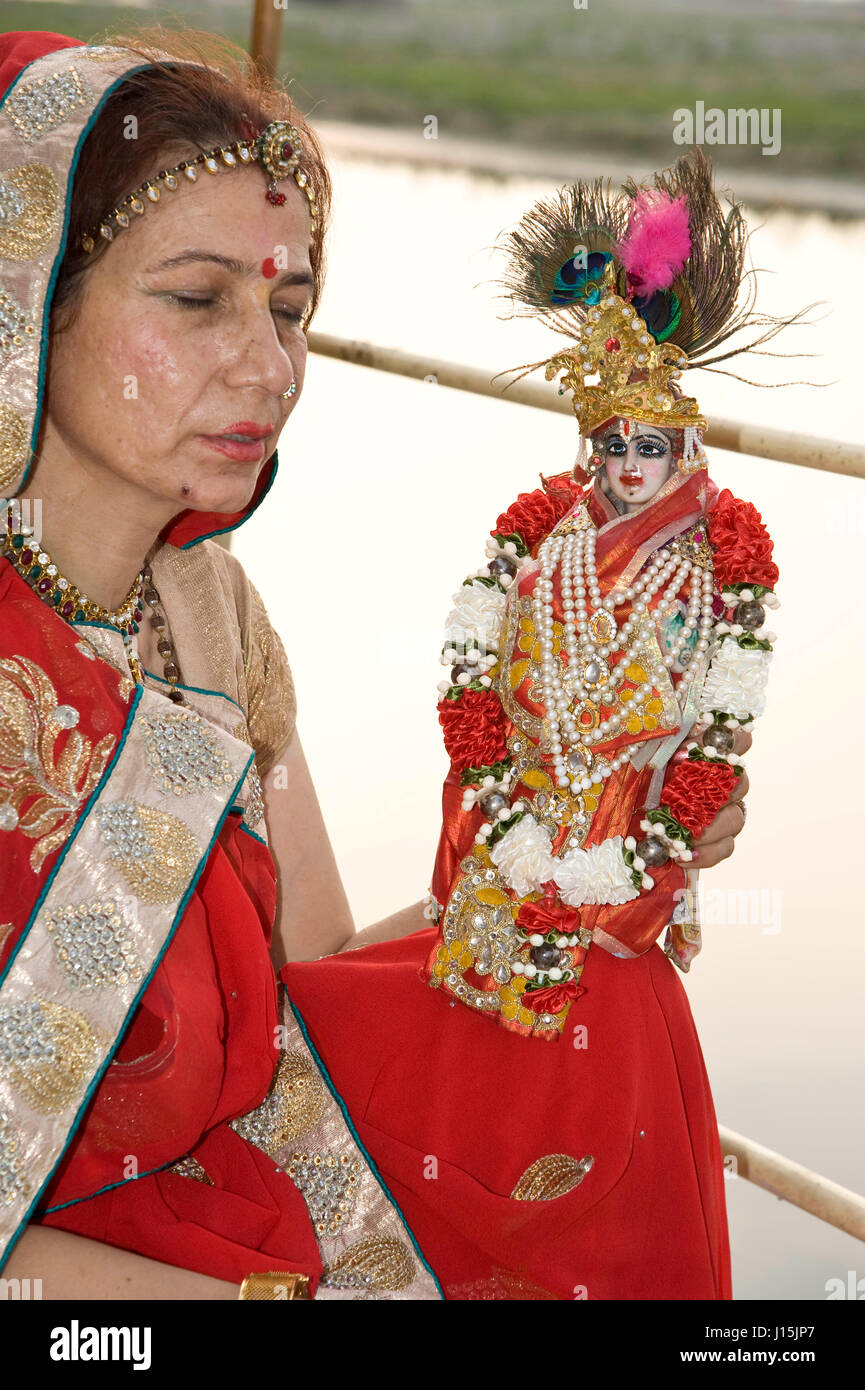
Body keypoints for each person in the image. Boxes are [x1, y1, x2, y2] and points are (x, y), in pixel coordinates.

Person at [0, 27, 749, 1301]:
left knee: (604, 999)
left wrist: (563, 845)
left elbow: (315, 978)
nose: (270, 365)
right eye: (195, 300)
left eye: (288, 310)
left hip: (211, 1197)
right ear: (28, 301)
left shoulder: (209, 615)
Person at [282, 151, 786, 1299]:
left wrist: (679, 823)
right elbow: (478, 704)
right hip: (492, 891)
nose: (622, 467)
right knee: (342, 1054)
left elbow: (709, 746)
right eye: (607, 445)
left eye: (645, 447)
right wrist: (516, 830)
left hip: (619, 913)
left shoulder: (719, 572)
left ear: (686, 448)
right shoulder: (536, 548)